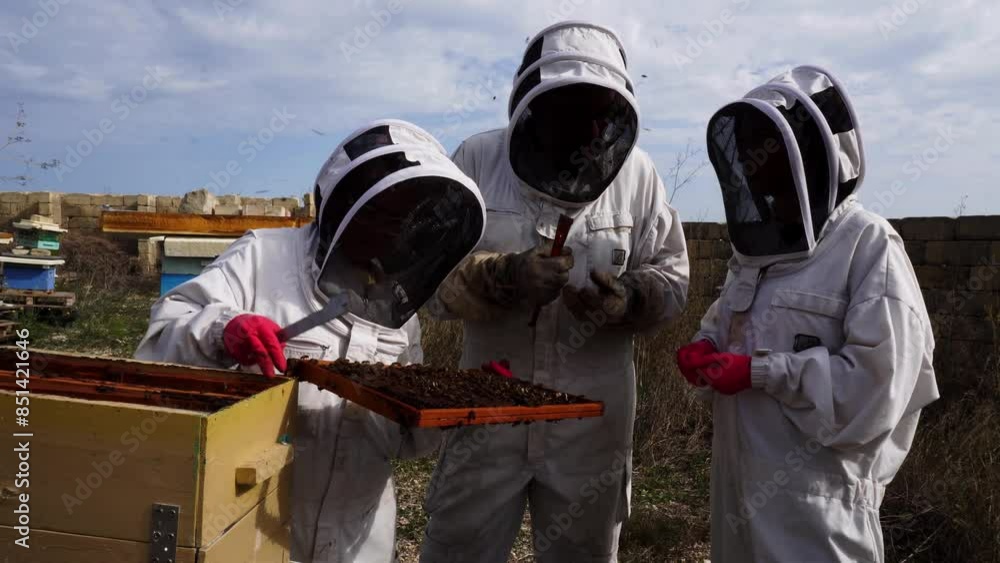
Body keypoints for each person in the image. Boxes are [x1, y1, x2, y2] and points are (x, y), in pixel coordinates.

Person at [134, 119, 487, 563]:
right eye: (378, 214)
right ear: (343, 207)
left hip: (360, 541)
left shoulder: (399, 310)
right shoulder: (262, 257)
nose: (387, 231)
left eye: (401, 220)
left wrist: (450, 410)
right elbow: (160, 343)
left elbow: (401, 443)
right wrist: (224, 330)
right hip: (252, 529)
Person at [420, 21, 689, 563]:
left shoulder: (637, 176)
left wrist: (628, 299)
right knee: (457, 551)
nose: (582, 128)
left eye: (595, 113)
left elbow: (674, 280)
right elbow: (424, 280)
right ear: (532, 106)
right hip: (485, 414)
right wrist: (503, 276)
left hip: (591, 427)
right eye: (568, 110)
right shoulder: (475, 161)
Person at [676, 65, 939, 562]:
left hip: (821, 511)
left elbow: (875, 393)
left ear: (813, 160)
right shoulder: (759, 248)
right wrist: (707, 343)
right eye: (754, 159)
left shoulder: (869, 246)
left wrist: (761, 372)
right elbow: (731, 316)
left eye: (771, 158)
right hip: (736, 494)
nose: (757, 172)